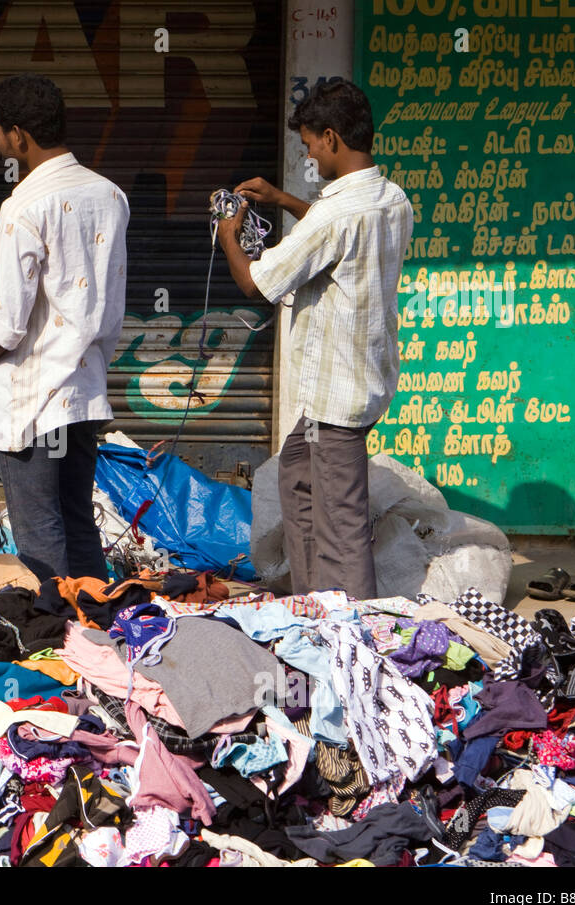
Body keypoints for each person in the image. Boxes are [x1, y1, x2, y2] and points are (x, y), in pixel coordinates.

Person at [216, 79, 413, 600]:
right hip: (361, 381)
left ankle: (359, 626)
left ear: (331, 137)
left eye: (309, 145)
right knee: (297, 477)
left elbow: (257, 283)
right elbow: (336, 237)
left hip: (336, 398)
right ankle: (313, 601)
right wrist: (283, 200)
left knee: (342, 526)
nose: (308, 156)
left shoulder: (334, 214)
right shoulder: (392, 199)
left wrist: (229, 235)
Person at [0, 72, 129, 584]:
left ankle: (55, 624)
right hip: (83, 390)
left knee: (39, 528)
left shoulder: (22, 205)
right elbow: (69, 274)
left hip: (36, 399)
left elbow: (5, 328)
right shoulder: (110, 195)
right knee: (77, 520)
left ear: (19, 135)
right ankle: (94, 619)